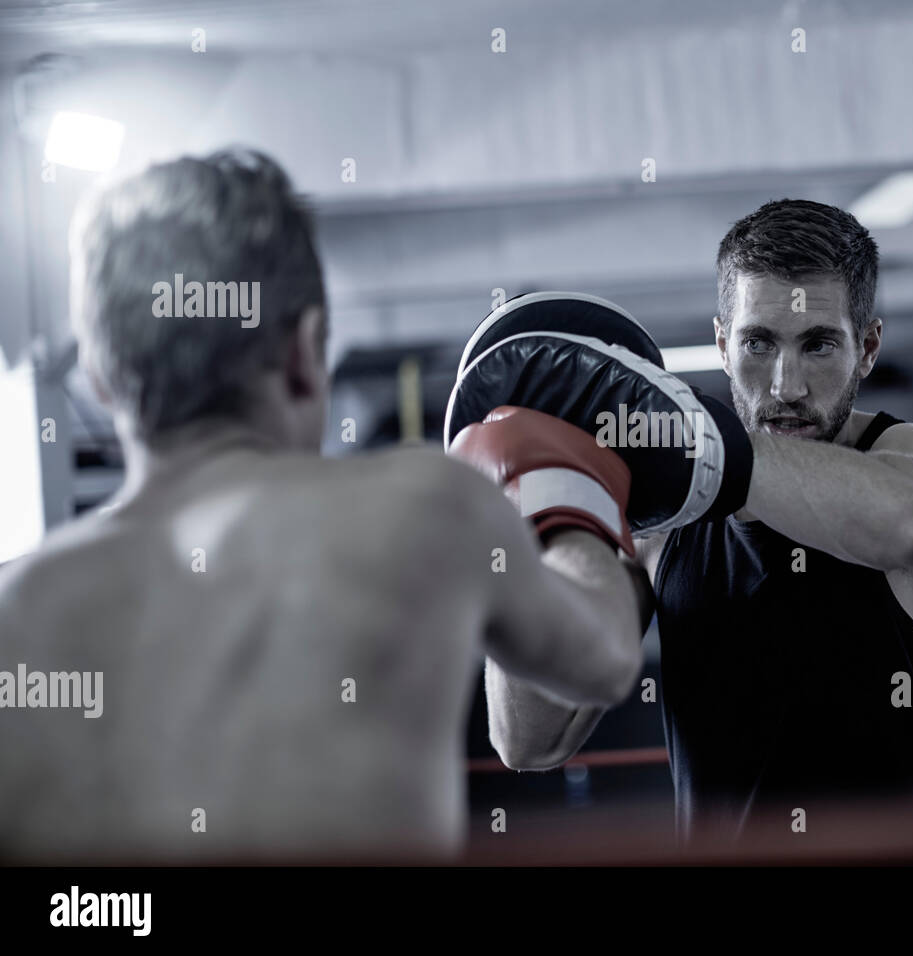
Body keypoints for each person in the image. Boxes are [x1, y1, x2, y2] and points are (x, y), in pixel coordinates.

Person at [0, 150, 650, 862]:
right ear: (305, 352)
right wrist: (567, 488)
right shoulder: (424, 509)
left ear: (97, 378)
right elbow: (607, 659)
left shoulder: (18, 607)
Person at [484, 200, 913, 844]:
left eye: (818, 345)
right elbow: (529, 740)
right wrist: (539, 514)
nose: (786, 385)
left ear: (866, 348)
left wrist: (697, 443)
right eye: (759, 343)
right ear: (723, 345)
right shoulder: (661, 520)